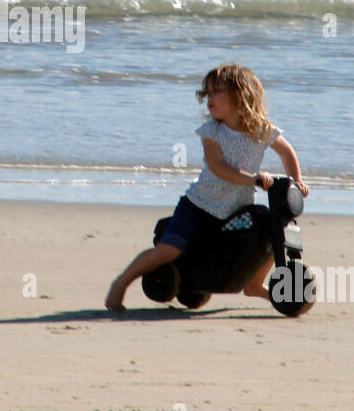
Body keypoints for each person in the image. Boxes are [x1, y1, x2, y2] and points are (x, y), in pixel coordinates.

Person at [104, 64, 308, 311]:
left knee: (269, 234)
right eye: (208, 93)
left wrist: (296, 181)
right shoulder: (213, 131)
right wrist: (253, 179)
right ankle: (121, 283)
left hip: (234, 207)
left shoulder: (261, 130)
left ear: (240, 95)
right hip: (199, 206)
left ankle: (254, 285)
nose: (210, 99)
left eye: (217, 92)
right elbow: (218, 166)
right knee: (171, 249)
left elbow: (287, 153)